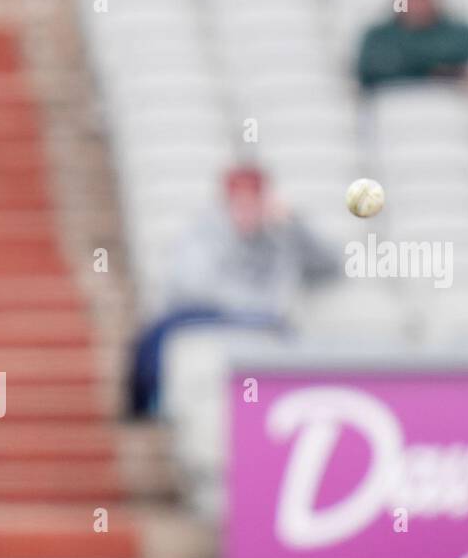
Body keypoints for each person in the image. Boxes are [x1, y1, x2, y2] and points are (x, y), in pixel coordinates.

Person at [128, 165, 337, 418]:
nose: (247, 210)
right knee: (156, 336)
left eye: (254, 201)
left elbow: (331, 265)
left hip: (266, 323)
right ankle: (152, 409)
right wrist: (248, 308)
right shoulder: (202, 234)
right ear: (226, 203)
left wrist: (295, 222)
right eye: (240, 202)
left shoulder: (286, 234)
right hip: (215, 317)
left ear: (265, 202)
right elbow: (194, 287)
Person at [356, 0, 468, 91]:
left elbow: (461, 64)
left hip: (445, 105)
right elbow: (368, 72)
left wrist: (400, 65)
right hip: (391, 105)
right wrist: (435, 70)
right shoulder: (376, 35)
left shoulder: (459, 32)